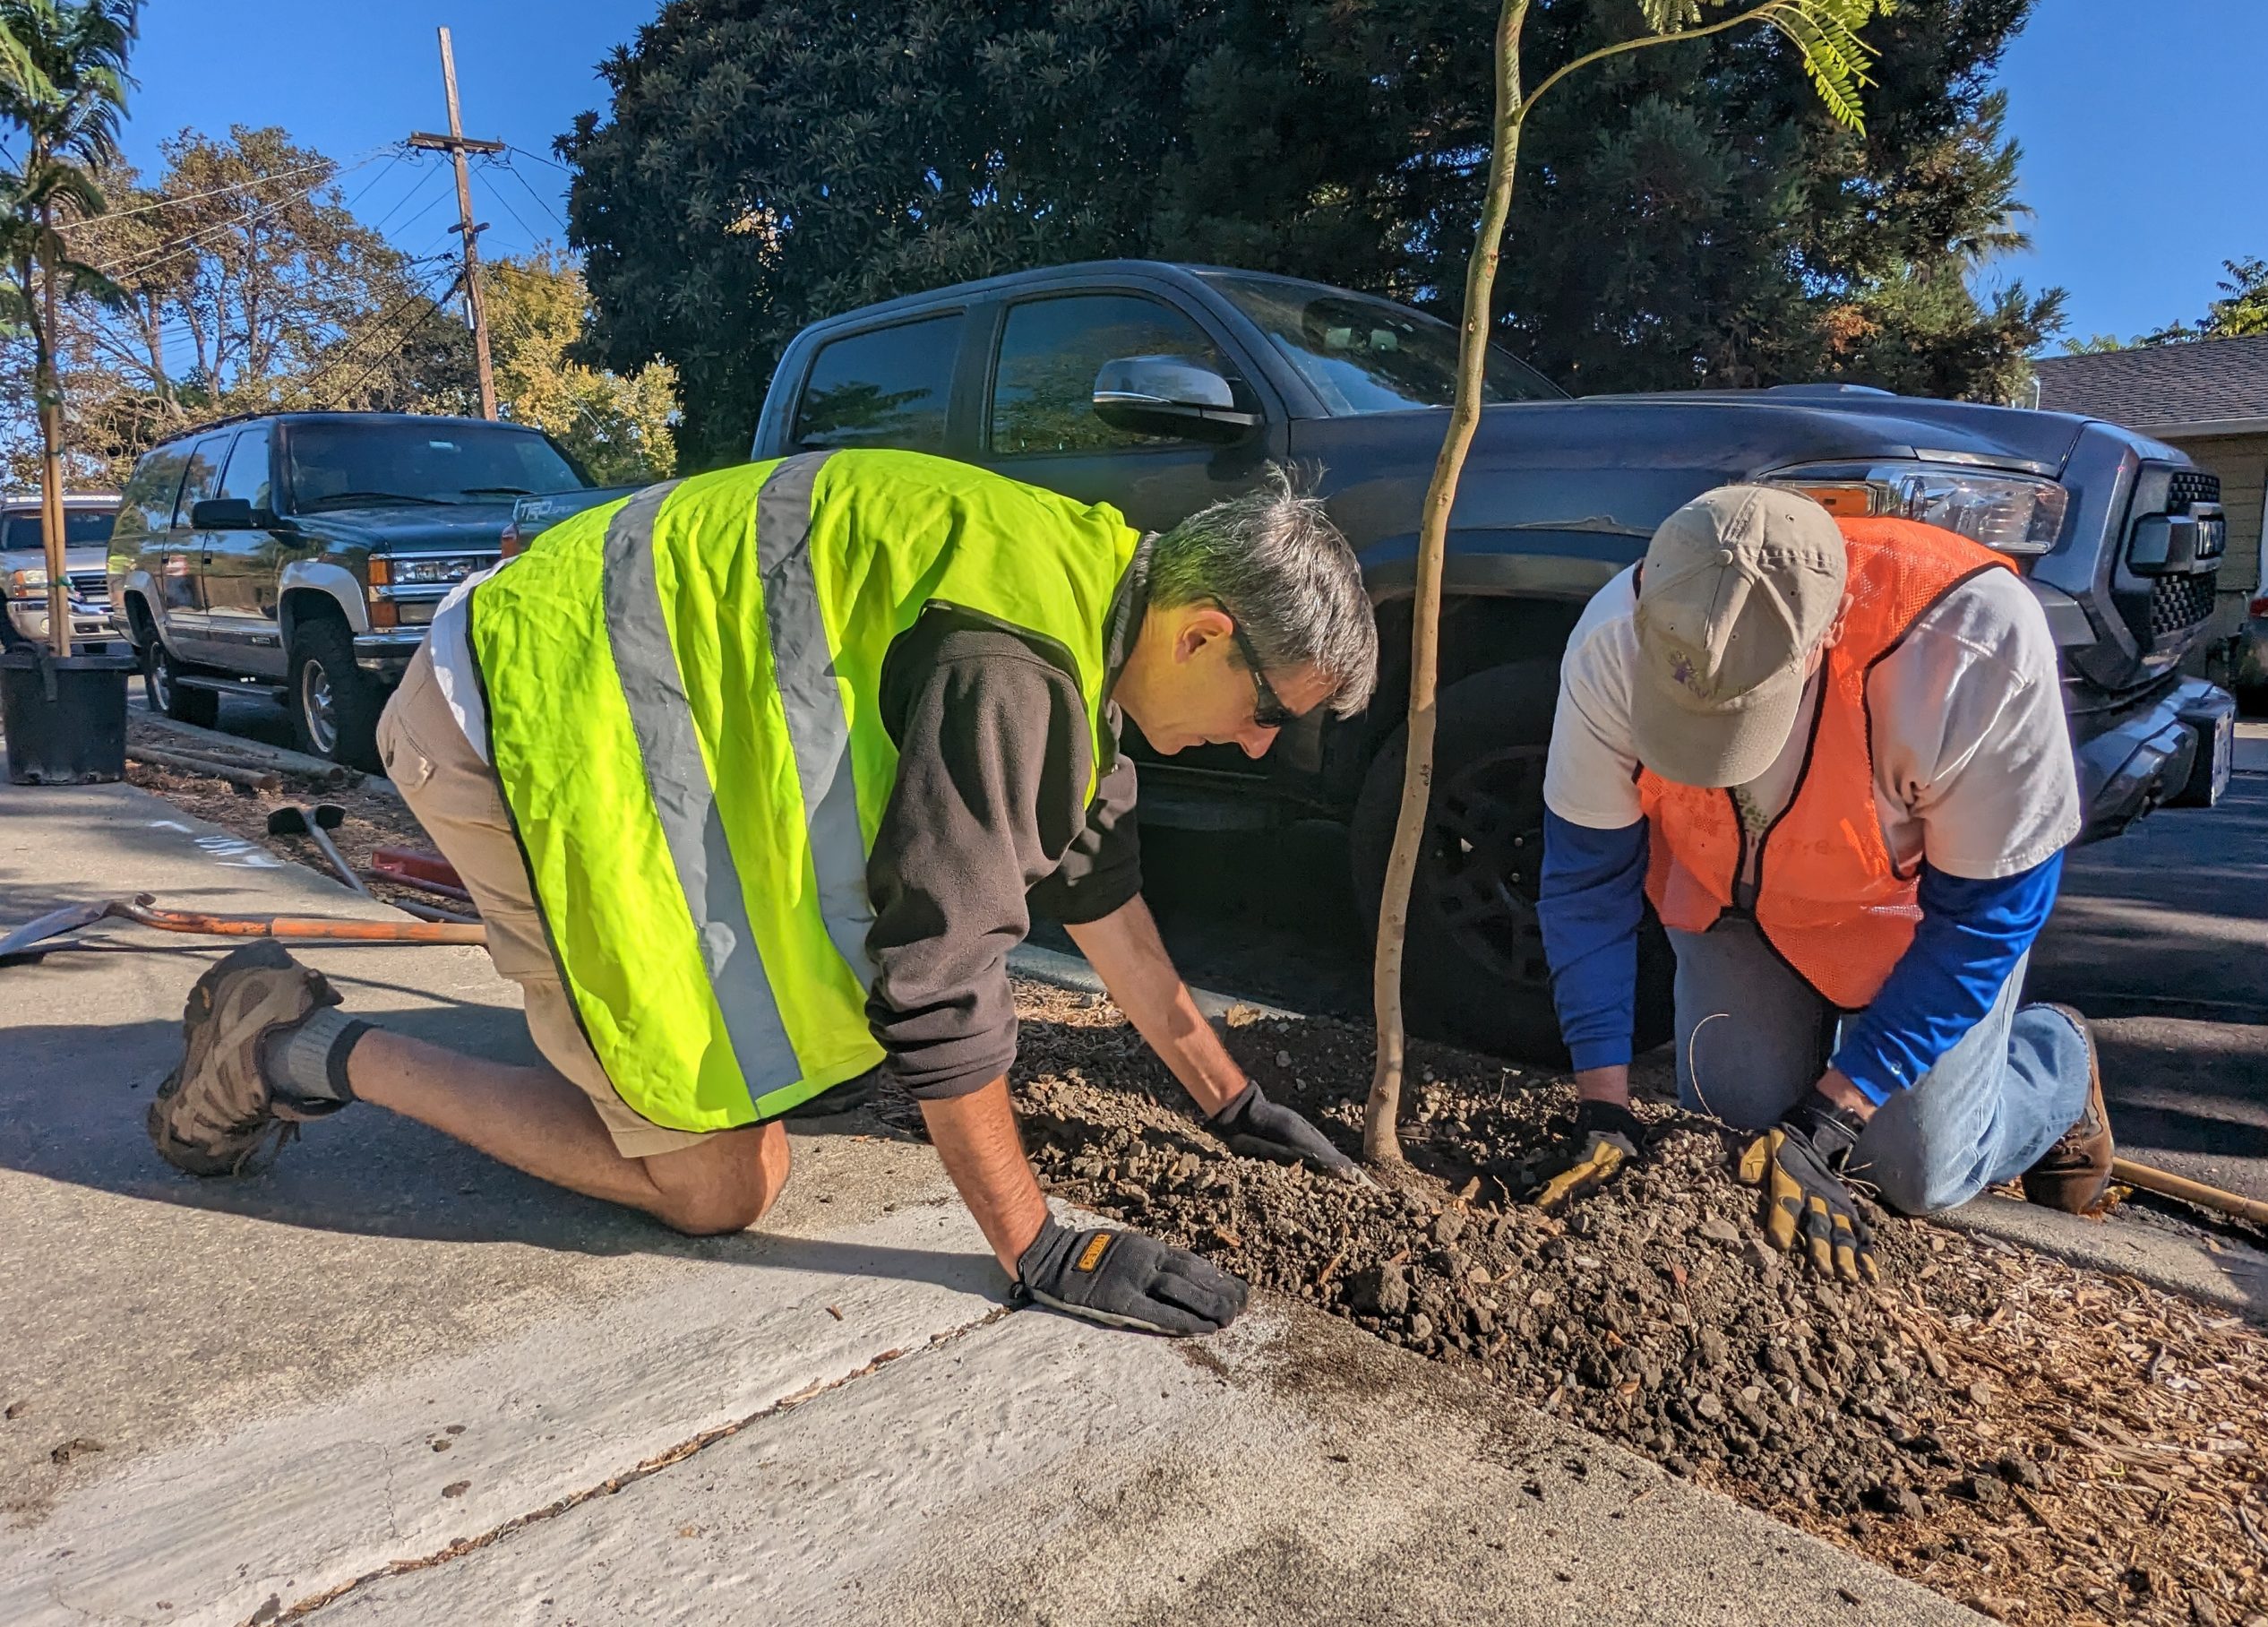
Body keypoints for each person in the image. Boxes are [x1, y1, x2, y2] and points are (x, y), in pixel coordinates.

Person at [148, 451, 1377, 1338]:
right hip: (521, 731)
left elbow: (1097, 885)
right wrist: (1039, 1246)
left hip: (593, 713)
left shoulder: (1088, 587)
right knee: (724, 1188)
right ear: (1206, 632)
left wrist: (1233, 1101)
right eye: (1272, 714)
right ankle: (297, 1045)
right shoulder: (1020, 669)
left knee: (798, 1082)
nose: (1264, 747)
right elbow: (938, 978)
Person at [1525, 486, 2110, 1279]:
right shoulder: (1611, 645)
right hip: (1733, 906)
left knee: (1914, 1172)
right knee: (1731, 1132)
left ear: (1821, 638)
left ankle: (2059, 1063)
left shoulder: (1973, 647)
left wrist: (1830, 1118)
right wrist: (1602, 1103)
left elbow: (1988, 918)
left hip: (1903, 922)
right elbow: (1587, 887)